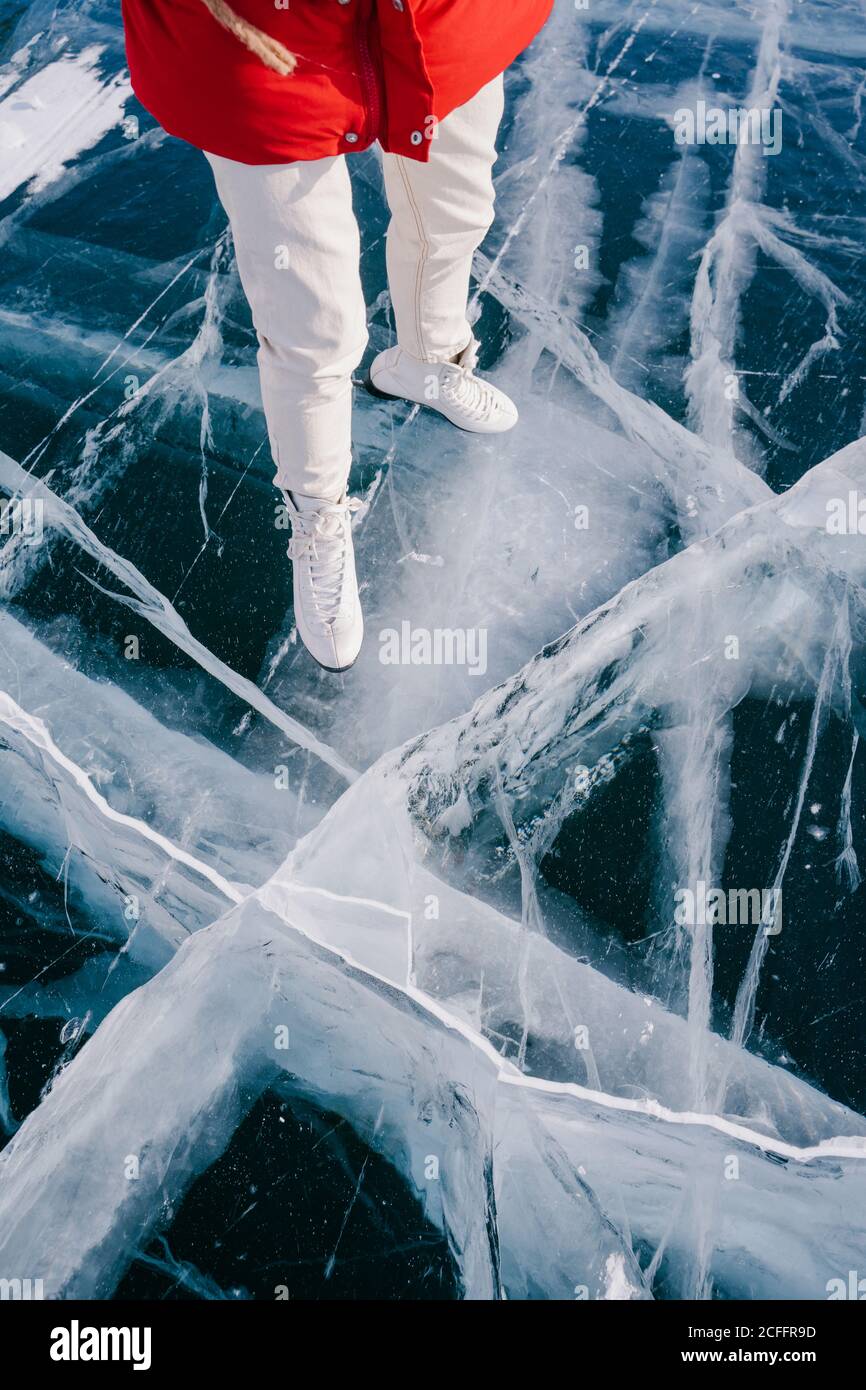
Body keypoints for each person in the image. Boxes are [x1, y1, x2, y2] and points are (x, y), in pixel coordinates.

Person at [121, 0, 553, 671]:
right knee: (312, 320)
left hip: (442, 20)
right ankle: (319, 511)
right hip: (258, 47)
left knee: (455, 216)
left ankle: (425, 362)